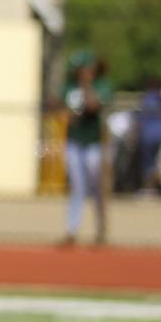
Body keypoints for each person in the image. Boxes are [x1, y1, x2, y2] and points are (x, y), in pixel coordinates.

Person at [62, 50, 110, 246]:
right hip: (74, 142)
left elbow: (93, 106)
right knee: (77, 187)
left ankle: (101, 228)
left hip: (94, 144)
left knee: (97, 187)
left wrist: (87, 85)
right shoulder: (70, 87)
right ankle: (72, 230)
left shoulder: (101, 86)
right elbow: (61, 106)